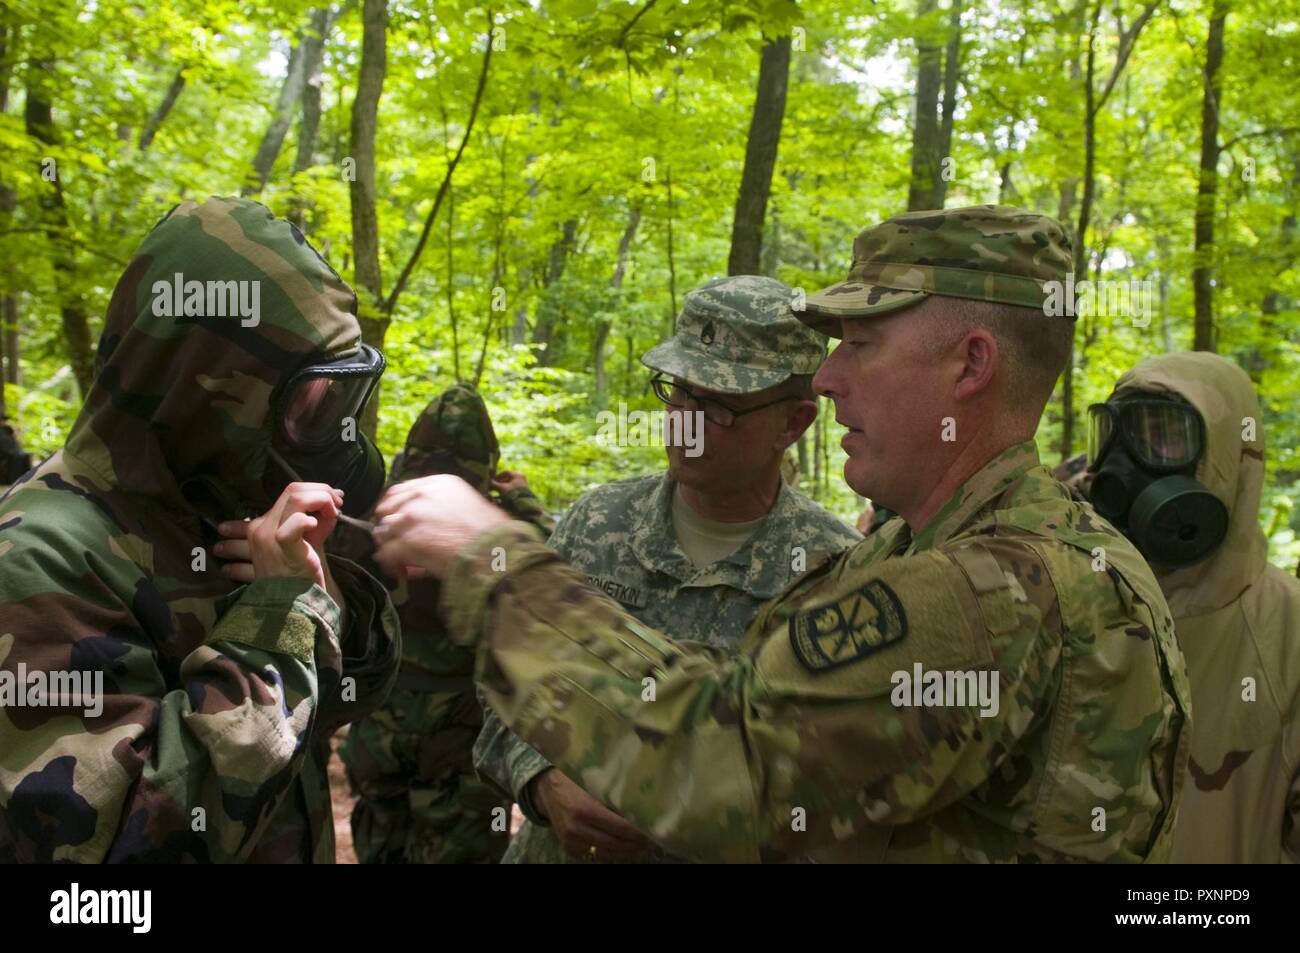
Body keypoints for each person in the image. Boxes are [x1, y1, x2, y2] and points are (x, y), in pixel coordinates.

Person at [369, 205, 1191, 863]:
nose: (829, 379)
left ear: (969, 366)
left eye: (860, 343)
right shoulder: (924, 550)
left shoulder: (990, 588)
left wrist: (495, 565)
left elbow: (724, 755)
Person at [0, 197, 399, 863]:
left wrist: (322, 592)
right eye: (307, 404)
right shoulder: (38, 556)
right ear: (204, 383)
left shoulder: (217, 498)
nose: (328, 430)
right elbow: (123, 856)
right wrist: (283, 623)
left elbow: (355, 686)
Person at [474, 275, 861, 863]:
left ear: (795, 423)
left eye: (717, 405)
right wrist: (543, 780)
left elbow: (838, 775)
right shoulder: (596, 522)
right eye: (677, 390)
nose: (683, 418)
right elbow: (503, 677)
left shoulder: (834, 569)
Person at [1088, 351, 1300, 862]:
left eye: (1162, 437)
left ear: (1234, 462)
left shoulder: (1289, 632)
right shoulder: (1079, 606)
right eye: (1114, 435)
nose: (1125, 464)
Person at [335, 383, 552, 863]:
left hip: (380, 723)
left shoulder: (372, 516)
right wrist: (523, 500)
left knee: (381, 841)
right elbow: (556, 567)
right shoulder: (490, 530)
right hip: (461, 732)